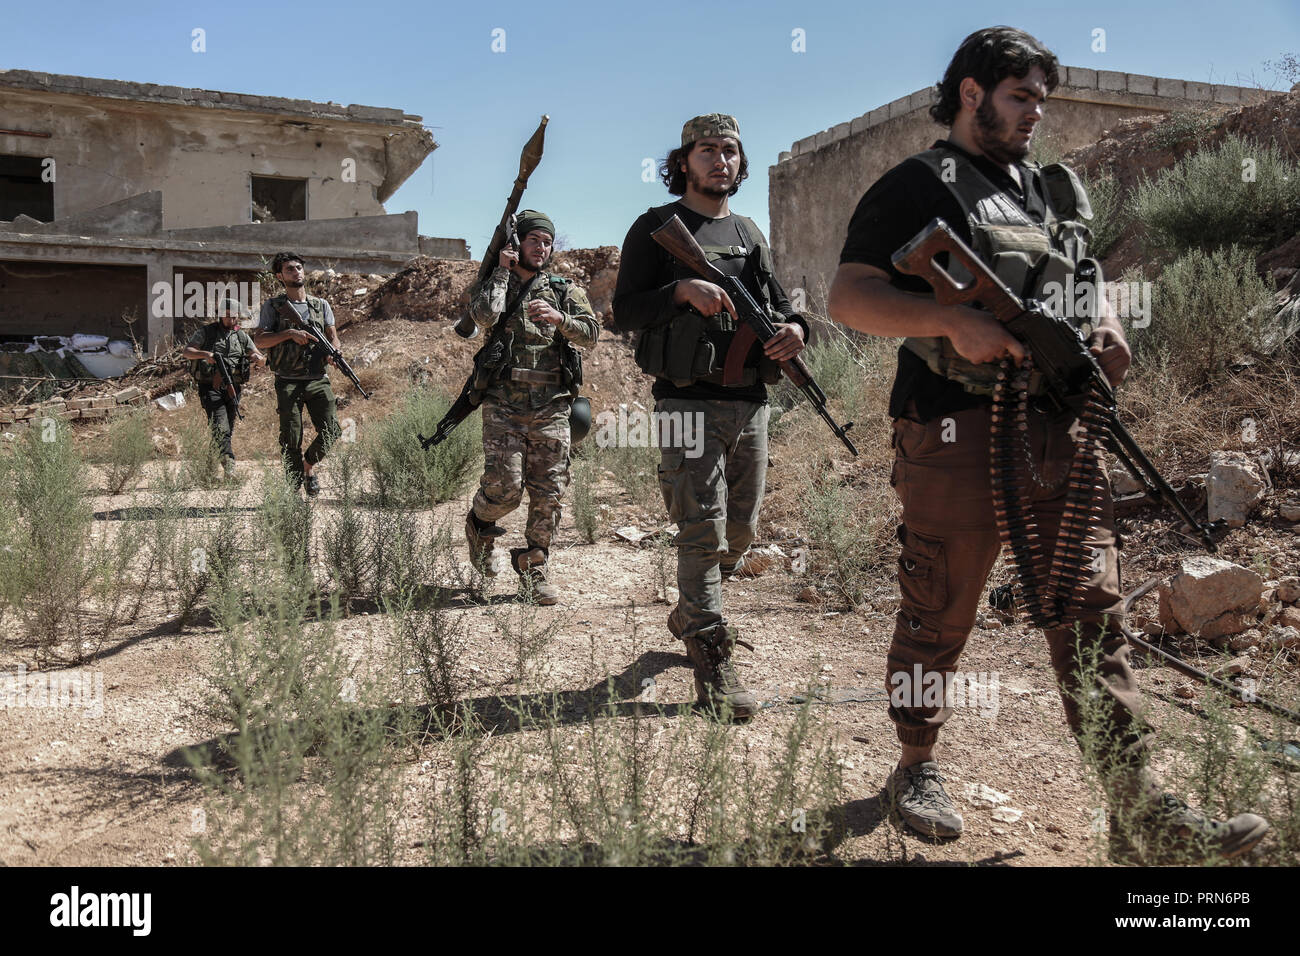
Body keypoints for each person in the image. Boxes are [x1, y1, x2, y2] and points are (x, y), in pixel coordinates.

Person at [827, 26, 1268, 862]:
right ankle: (915, 764)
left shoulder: (1051, 190)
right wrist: (947, 321)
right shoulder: (918, 184)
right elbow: (851, 296)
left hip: (1060, 427)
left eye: (1041, 100)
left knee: (1093, 616)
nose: (1035, 114)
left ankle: (1141, 816)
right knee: (940, 608)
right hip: (954, 427)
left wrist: (1104, 331)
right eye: (1021, 96)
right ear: (971, 93)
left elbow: (1084, 280)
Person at [613, 114, 809, 720]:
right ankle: (711, 655)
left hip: (748, 403)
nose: (719, 160)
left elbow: (779, 305)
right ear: (684, 161)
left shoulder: (749, 232)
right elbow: (622, 312)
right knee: (701, 528)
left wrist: (796, 330)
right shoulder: (654, 228)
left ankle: (691, 606)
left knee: (740, 532)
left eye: (729, 151)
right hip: (681, 400)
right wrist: (680, 292)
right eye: (706, 150)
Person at [463, 210, 599, 605]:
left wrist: (560, 320)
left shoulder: (562, 290)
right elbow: (482, 316)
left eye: (547, 242)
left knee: (550, 491)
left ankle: (534, 567)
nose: (541, 248)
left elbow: (591, 334)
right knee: (505, 490)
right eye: (534, 240)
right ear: (517, 243)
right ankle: (480, 523)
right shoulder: (495, 283)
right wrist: (503, 273)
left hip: (552, 406)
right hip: (504, 405)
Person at [253, 252, 344, 497]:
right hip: (288, 381)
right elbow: (260, 340)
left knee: (332, 430)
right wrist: (289, 333)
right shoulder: (274, 307)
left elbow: (333, 335)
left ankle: (307, 467)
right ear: (280, 276)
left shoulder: (320, 305)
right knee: (291, 437)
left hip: (317, 380)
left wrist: (334, 351)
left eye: (299, 268)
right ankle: (293, 491)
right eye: (290, 269)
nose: (296, 272)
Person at [181, 297, 266, 479]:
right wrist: (205, 354)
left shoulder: (241, 335)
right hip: (211, 386)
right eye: (227, 316)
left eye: (234, 317)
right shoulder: (206, 332)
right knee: (221, 428)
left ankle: (208, 468)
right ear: (220, 315)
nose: (231, 320)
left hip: (233, 388)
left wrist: (258, 358)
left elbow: (256, 353)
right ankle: (229, 467)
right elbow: (187, 352)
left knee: (226, 429)